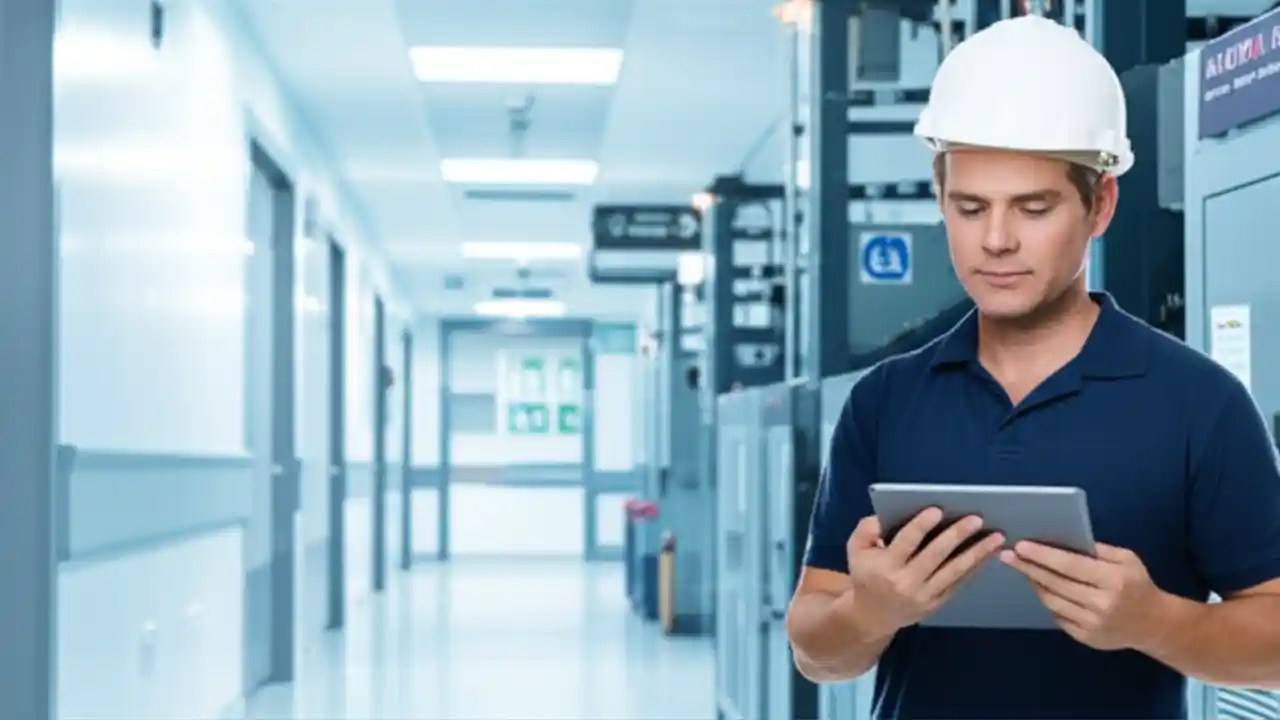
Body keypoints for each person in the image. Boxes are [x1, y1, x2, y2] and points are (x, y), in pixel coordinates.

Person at [785, 15, 1280, 720]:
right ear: (941, 202)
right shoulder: (885, 401)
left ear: (1099, 205)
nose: (995, 240)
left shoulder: (1199, 404)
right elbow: (814, 649)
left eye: (1034, 207)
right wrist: (873, 610)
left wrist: (1157, 623)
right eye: (970, 207)